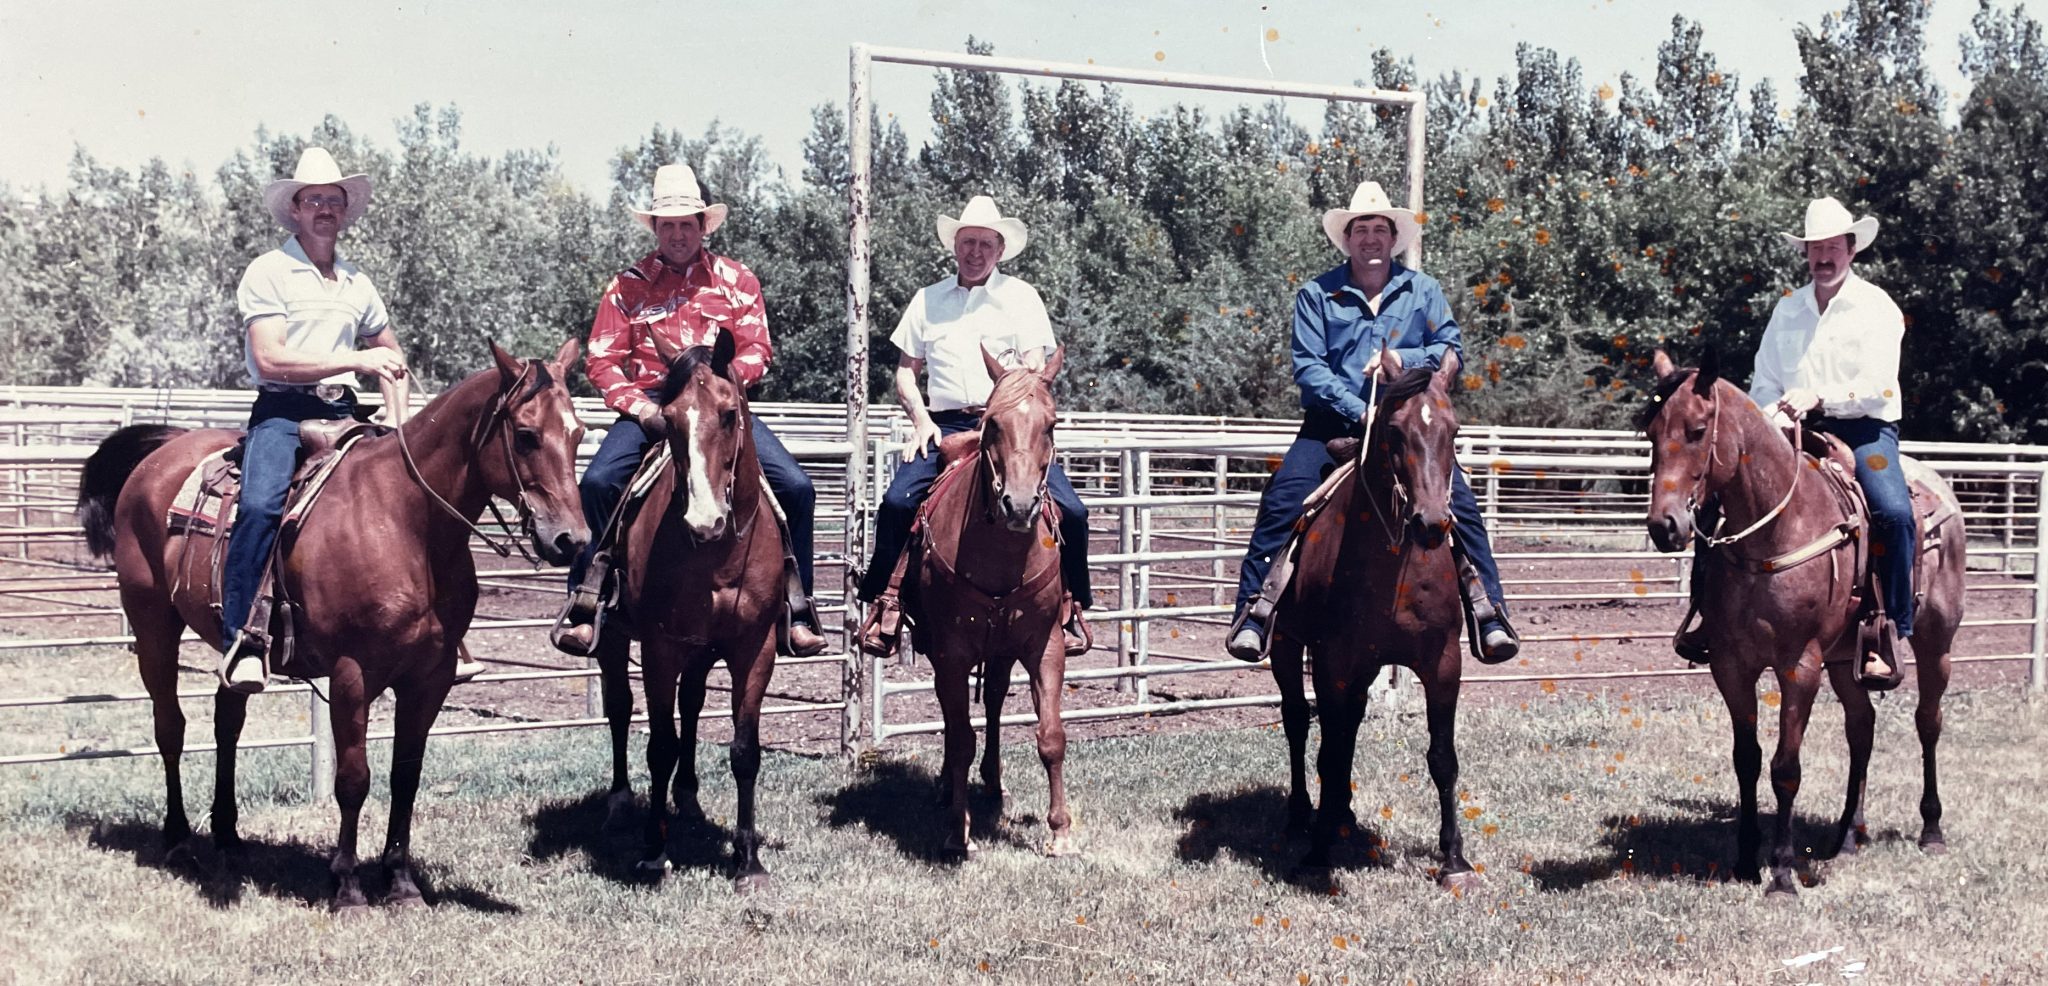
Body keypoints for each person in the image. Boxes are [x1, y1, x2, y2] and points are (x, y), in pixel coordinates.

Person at [1226, 180, 1519, 664]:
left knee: (1459, 505)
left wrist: (1400, 359)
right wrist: (1360, 410)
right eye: (1361, 229)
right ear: (1348, 239)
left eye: (1379, 229)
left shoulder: (1422, 290)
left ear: (1392, 238)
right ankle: (1254, 610)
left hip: (1407, 427)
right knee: (1283, 498)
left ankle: (1489, 612)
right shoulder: (1317, 294)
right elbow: (1310, 368)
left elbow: (1450, 349)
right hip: (1333, 425)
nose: (1370, 239)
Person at [219, 147, 479, 693]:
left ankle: (439, 629)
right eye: (312, 200)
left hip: (342, 411)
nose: (323, 209)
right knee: (262, 503)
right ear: (294, 210)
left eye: (333, 201)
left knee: (410, 499)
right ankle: (244, 636)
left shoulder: (357, 283)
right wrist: (356, 359)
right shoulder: (269, 271)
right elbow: (270, 358)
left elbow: (394, 360)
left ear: (344, 210)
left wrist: (400, 422)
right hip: (284, 411)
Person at [555, 163, 825, 657]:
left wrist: (722, 389)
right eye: (668, 225)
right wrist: (641, 409)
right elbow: (602, 359)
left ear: (703, 226)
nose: (677, 234)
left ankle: (795, 604)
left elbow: (756, 348)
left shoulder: (737, 280)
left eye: (686, 224)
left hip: (721, 410)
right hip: (654, 409)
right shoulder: (627, 286)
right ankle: (587, 600)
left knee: (796, 487)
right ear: (656, 229)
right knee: (596, 483)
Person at [1676, 195, 1915, 683]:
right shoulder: (1787, 310)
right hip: (1789, 431)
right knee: (1715, 506)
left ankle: (1887, 630)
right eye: (1815, 249)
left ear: (1851, 249)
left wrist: (1820, 398)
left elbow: (1880, 385)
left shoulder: (1876, 308)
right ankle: (1709, 618)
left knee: (1892, 512)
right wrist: (1770, 418)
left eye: (1832, 247)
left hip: (1862, 427)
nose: (1823, 257)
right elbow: (1764, 380)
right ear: (1805, 254)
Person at [855, 195, 1093, 658]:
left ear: (1000, 248)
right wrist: (921, 421)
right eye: (968, 242)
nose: (975, 251)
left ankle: (1071, 604)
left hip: (1007, 426)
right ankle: (884, 604)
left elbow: (1033, 371)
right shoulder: (927, 300)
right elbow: (906, 371)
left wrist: (1018, 422)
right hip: (942, 424)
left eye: (985, 243)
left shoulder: (1021, 298)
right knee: (897, 501)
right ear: (955, 246)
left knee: (1075, 513)